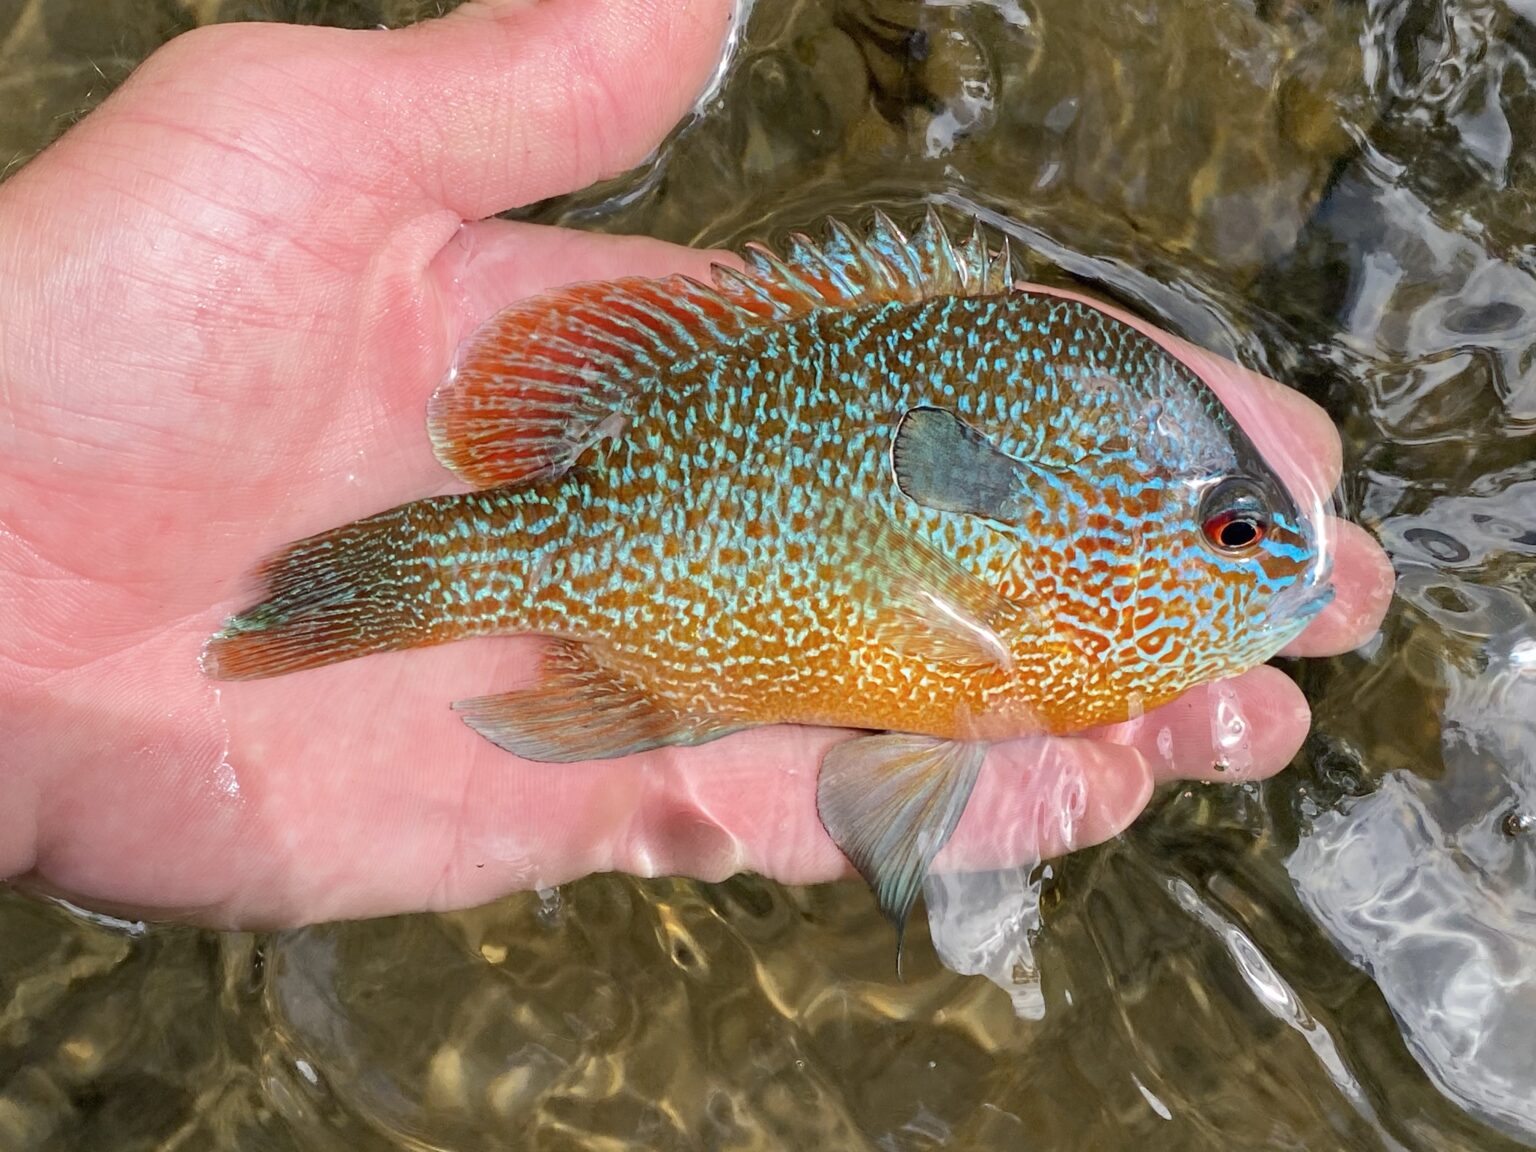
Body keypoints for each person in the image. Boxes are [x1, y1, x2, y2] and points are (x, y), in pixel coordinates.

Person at [0, 0, 1392, 928]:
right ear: (1102, 542)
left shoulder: (1071, 604)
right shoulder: (1054, 601)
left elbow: (903, 745)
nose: (1264, 571)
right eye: (1227, 541)